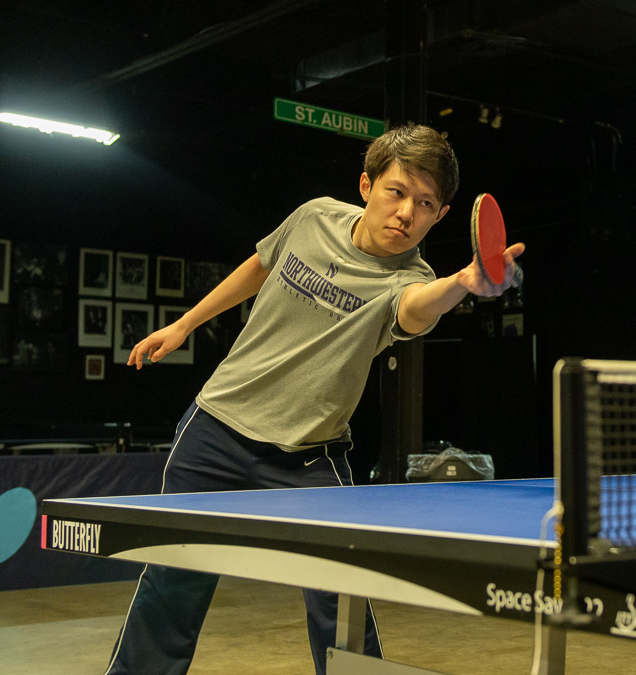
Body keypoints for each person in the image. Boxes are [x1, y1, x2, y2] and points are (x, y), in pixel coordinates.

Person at [105, 124, 524, 675]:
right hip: (217, 427)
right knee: (175, 575)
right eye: (396, 193)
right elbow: (259, 265)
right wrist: (184, 325)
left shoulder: (412, 277)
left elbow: (416, 310)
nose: (405, 213)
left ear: (440, 216)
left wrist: (465, 282)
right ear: (366, 186)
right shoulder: (314, 217)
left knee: (340, 589)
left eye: (424, 204)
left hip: (308, 456)